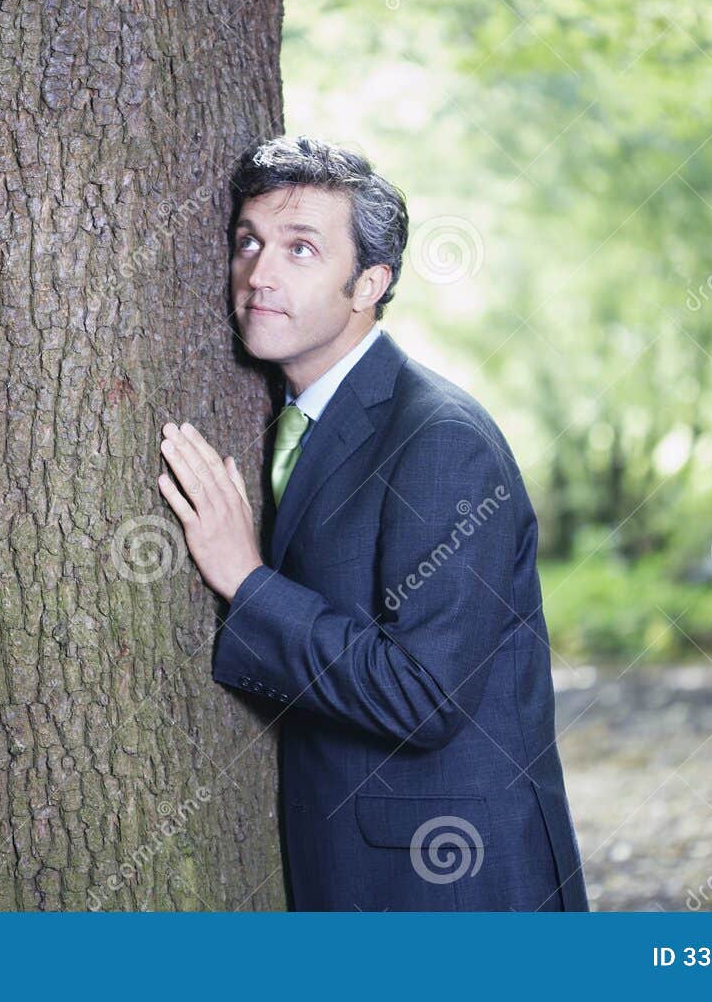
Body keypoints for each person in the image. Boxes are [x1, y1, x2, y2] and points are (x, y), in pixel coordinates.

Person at [156, 135, 589, 911]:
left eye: (301, 249)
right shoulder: (299, 421)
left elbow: (423, 696)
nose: (259, 272)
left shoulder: (442, 441)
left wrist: (245, 579)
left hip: (454, 892)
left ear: (369, 283)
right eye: (248, 241)